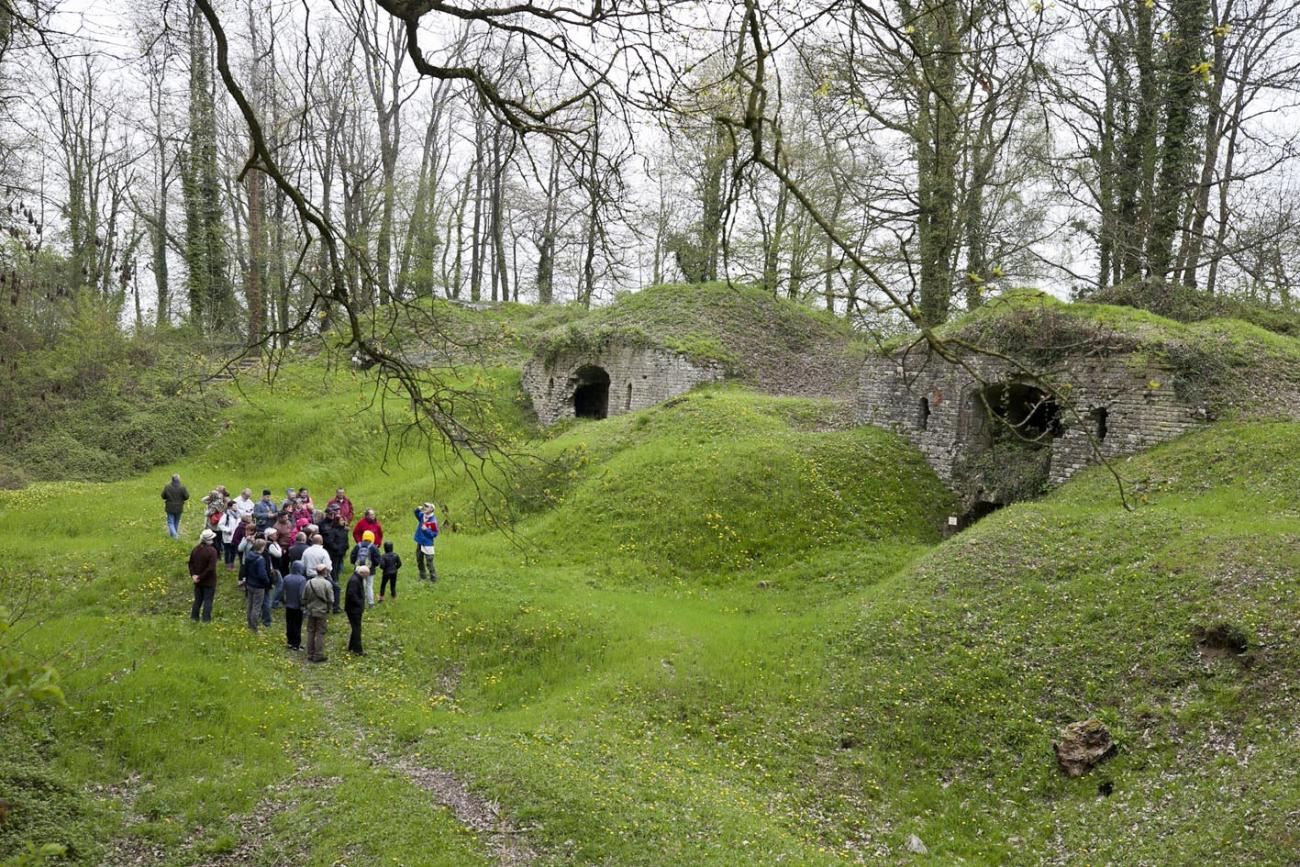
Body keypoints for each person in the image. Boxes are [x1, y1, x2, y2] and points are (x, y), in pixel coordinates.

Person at [301, 563, 335, 663]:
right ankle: (318, 654)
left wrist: (307, 606)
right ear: (325, 572)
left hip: (311, 610)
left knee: (311, 631)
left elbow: (304, 597)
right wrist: (328, 608)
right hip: (322, 611)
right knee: (320, 632)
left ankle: (310, 653)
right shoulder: (327, 584)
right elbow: (331, 599)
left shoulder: (309, 582)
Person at [320, 513, 350, 612]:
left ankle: (335, 581)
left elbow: (345, 541)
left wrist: (346, 547)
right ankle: (333, 584)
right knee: (334, 570)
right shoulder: (333, 531)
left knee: (338, 570)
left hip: (341, 553)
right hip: (334, 554)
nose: (344, 522)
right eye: (342, 520)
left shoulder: (344, 531)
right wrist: (336, 548)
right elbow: (329, 542)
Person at [241, 538, 273, 632]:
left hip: (250, 583)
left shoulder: (249, 556)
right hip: (259, 586)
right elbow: (262, 574)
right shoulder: (260, 559)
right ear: (261, 547)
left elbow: (245, 570)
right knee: (256, 607)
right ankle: (254, 628)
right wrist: (267, 581)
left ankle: (249, 624)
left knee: (250, 605)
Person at [188, 529, 219, 622]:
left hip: (197, 580)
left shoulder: (196, 549)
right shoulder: (212, 551)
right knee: (208, 601)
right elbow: (211, 568)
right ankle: (206, 620)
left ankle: (194, 618)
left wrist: (194, 575)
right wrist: (200, 577)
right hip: (209, 581)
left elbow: (191, 563)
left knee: (197, 600)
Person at [350, 530, 381, 608]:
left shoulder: (358, 546)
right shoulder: (373, 547)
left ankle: (360, 602)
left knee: (360, 586)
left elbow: (352, 557)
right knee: (369, 586)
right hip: (370, 570)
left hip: (358, 569)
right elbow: (377, 560)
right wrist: (373, 565)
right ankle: (371, 603)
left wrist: (356, 564)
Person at [281, 561, 307, 651]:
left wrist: (284, 601)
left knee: (289, 623)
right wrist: (303, 604)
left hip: (288, 605)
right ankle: (296, 644)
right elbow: (301, 594)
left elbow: (283, 590)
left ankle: (289, 641)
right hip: (297, 606)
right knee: (297, 625)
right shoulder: (302, 579)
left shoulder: (286, 577)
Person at [344, 566, 368, 655]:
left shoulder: (357, 578)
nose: (366, 577)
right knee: (357, 629)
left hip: (354, 608)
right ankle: (358, 650)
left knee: (355, 627)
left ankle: (351, 646)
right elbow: (351, 594)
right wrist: (359, 603)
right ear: (362, 573)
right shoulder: (355, 581)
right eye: (366, 575)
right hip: (353, 609)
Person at [413, 503, 439, 583]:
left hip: (428, 544)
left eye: (427, 506)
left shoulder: (433, 521)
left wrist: (426, 530)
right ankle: (422, 576)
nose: (425, 507)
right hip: (420, 542)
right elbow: (416, 513)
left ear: (431, 509)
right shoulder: (422, 516)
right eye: (425, 506)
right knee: (419, 559)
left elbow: (434, 534)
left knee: (429, 562)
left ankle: (433, 578)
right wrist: (418, 508)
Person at [162, 474, 190, 539]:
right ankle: (174, 536)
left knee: (170, 522)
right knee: (176, 522)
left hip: (169, 507)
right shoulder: (182, 488)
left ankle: (174, 536)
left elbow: (163, 496)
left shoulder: (167, 487)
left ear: (172, 479)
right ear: (179, 480)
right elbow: (187, 496)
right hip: (179, 507)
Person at [264, 530, 284, 620]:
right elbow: (279, 554)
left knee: (278, 584)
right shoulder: (271, 545)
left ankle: (275, 601)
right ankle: (274, 602)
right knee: (280, 584)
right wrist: (278, 546)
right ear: (270, 536)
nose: (276, 535)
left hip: (275, 567)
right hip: (274, 568)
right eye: (275, 534)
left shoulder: (272, 543)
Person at [217, 502, 241, 569]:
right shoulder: (226, 515)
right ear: (230, 507)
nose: (236, 507)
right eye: (234, 506)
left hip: (236, 536)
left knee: (234, 550)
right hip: (228, 536)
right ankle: (227, 563)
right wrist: (227, 530)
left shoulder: (238, 515)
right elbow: (220, 525)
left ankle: (232, 563)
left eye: (236, 505)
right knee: (228, 550)